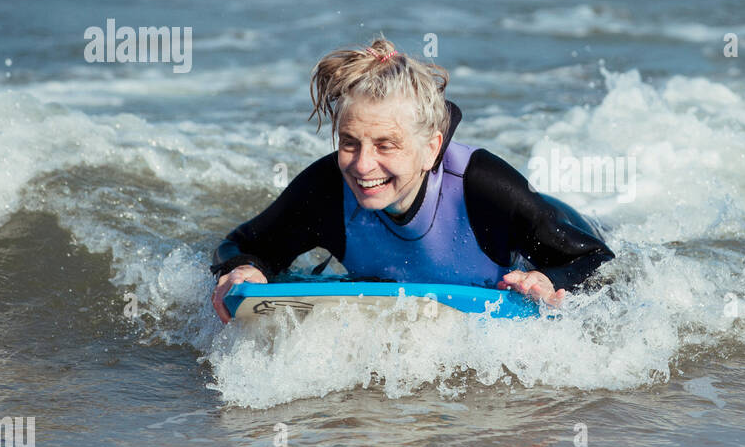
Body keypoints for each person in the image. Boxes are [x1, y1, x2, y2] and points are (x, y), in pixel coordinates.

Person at [209, 38, 615, 323]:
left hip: (571, 228)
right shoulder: (326, 189)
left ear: (431, 147)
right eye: (350, 143)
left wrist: (547, 278)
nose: (362, 166)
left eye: (386, 145)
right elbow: (245, 244)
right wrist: (245, 269)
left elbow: (594, 260)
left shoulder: (483, 186)